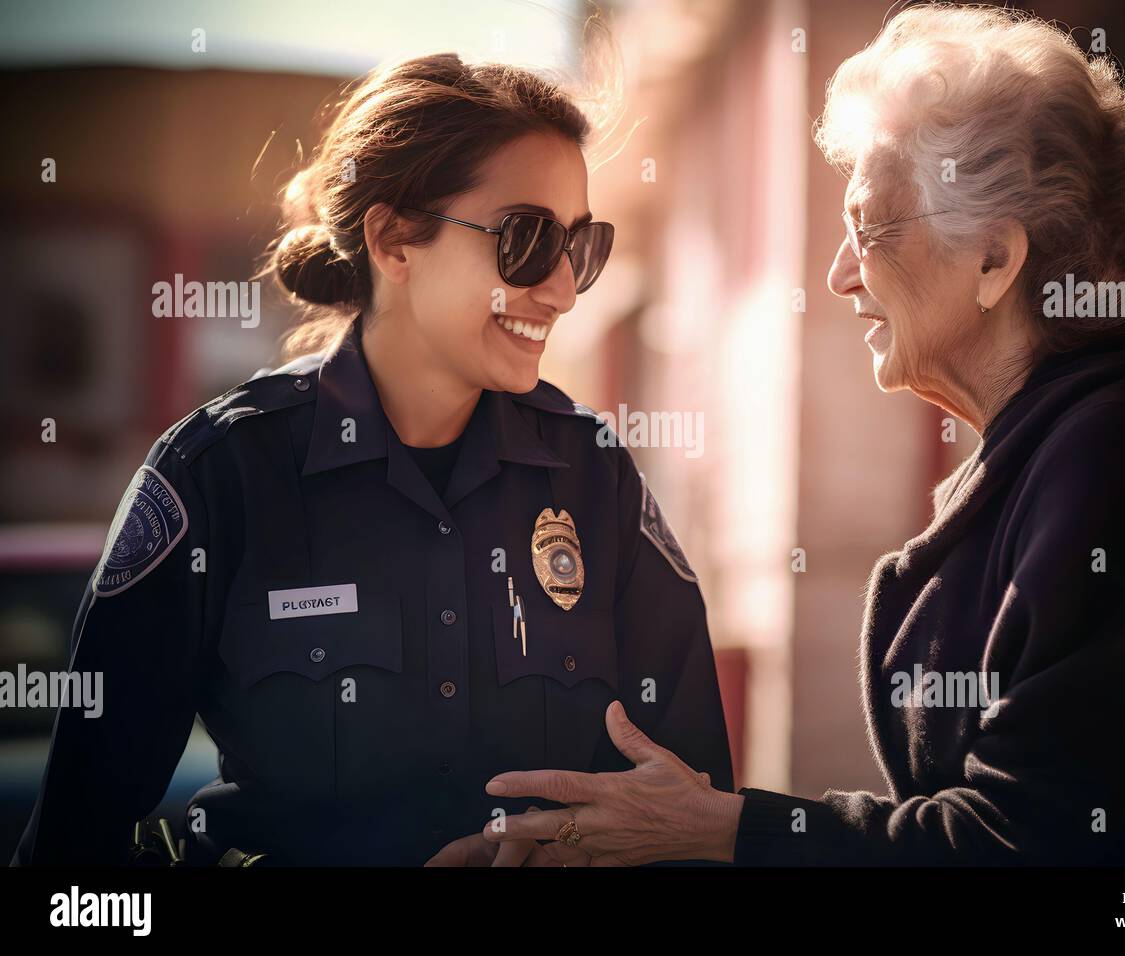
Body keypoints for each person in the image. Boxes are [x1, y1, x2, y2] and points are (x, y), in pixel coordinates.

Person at [453, 5, 1125, 866]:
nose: (839, 273)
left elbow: (1026, 842)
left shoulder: (1113, 462)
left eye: (870, 226)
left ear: (994, 263)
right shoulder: (1066, 452)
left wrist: (721, 827)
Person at [11, 53, 732, 867]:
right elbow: (72, 866)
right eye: (527, 240)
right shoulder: (218, 478)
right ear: (393, 239)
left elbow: (696, 819)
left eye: (579, 246)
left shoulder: (596, 480)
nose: (563, 290)